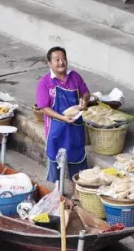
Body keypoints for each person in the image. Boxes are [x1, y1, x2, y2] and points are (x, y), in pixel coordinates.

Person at [36, 47, 93, 183]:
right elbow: (44, 108)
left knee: (78, 157)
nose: (61, 62)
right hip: (56, 128)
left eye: (63, 59)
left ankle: (76, 190)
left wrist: (84, 100)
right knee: (54, 158)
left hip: (75, 127)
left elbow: (86, 93)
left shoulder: (75, 77)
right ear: (49, 63)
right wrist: (62, 118)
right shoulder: (45, 83)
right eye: (57, 60)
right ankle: (57, 191)